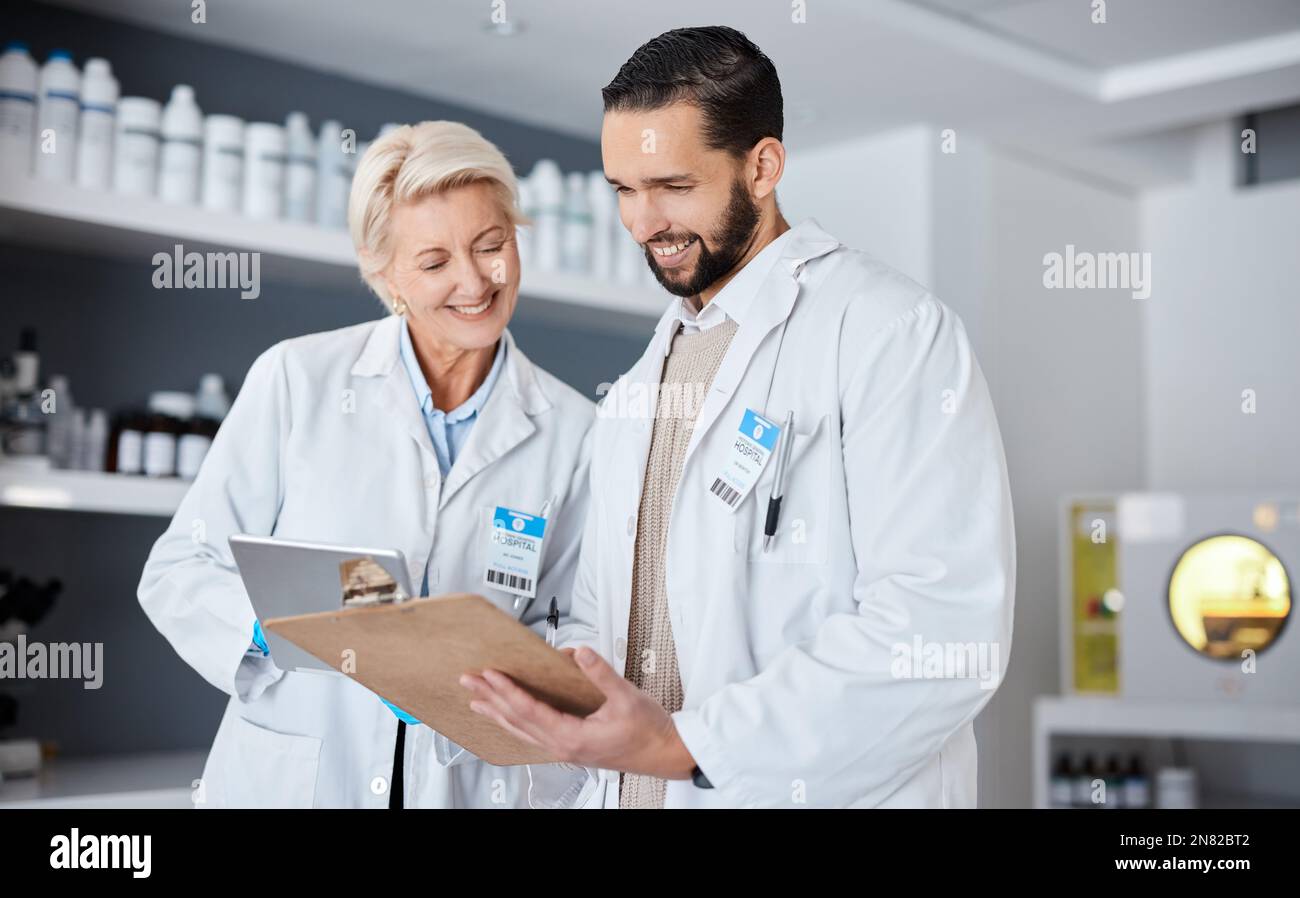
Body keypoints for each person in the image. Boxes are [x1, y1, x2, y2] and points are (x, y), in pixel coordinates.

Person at [462, 26, 1016, 808]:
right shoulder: (637, 387)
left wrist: (685, 743)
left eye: (672, 186)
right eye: (622, 188)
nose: (642, 222)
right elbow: (607, 614)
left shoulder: (888, 335)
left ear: (763, 166)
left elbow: (938, 634)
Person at [138, 121, 595, 808]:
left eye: (491, 246)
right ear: (385, 272)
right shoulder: (299, 379)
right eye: (436, 261)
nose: (474, 281)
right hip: (300, 775)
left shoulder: (572, 430)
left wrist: (520, 671)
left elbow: (572, 617)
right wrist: (277, 627)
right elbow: (178, 570)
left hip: (467, 778)